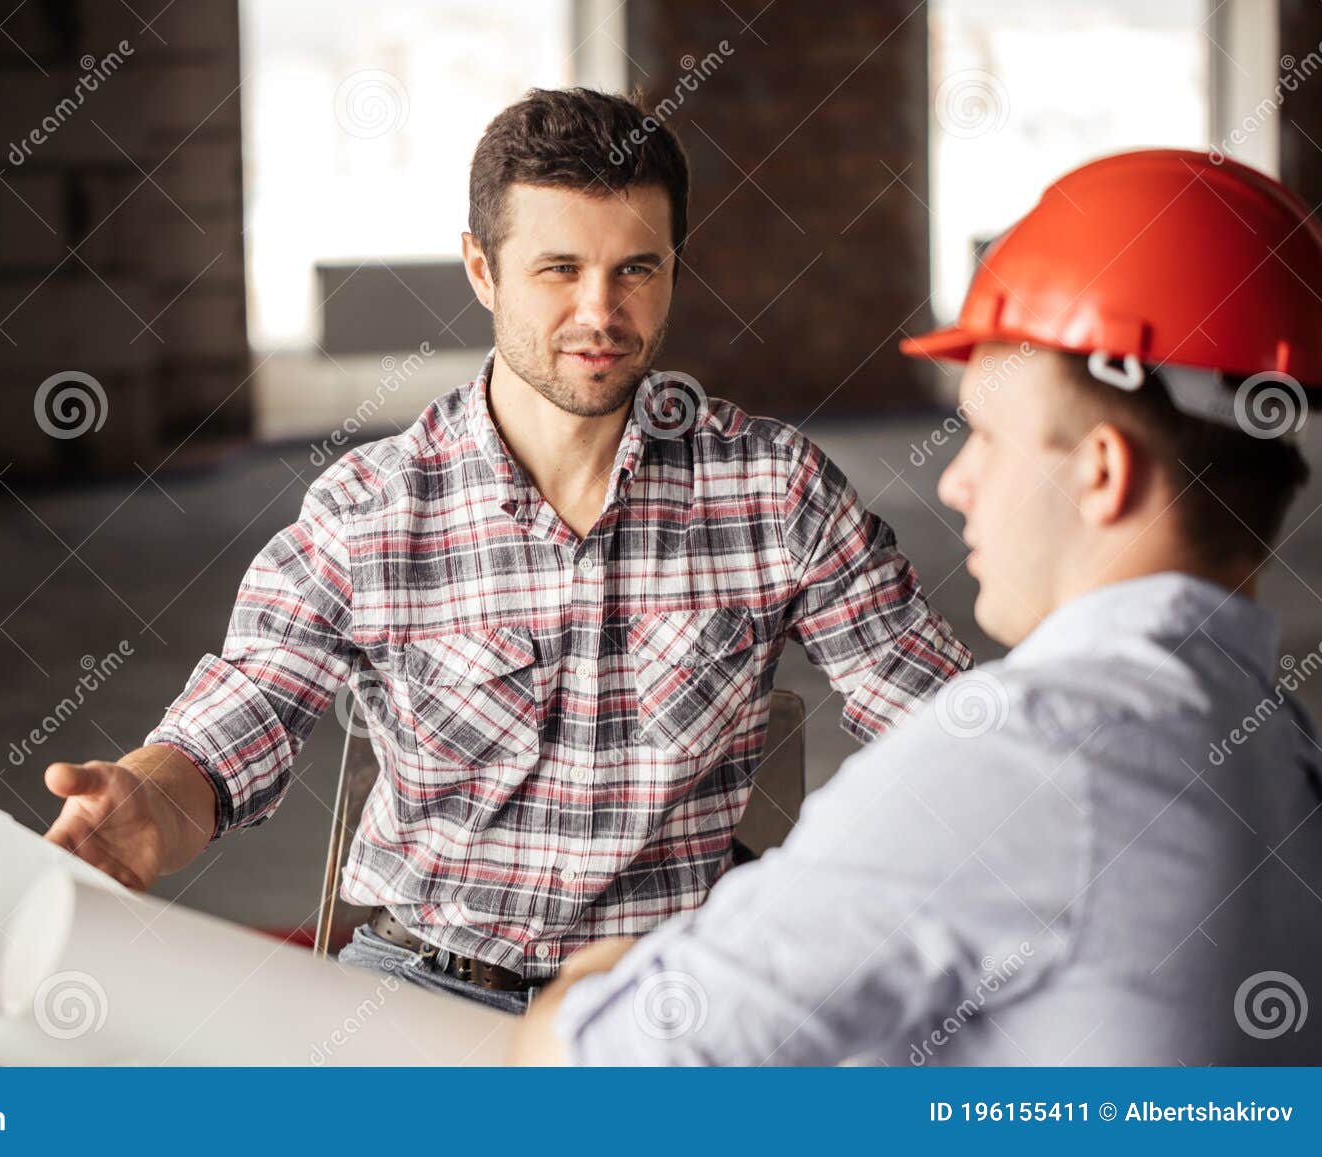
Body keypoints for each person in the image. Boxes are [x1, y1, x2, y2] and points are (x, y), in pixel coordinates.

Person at [41, 88, 969, 1013]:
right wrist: (150, 800)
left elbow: (940, 722)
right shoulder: (371, 508)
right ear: (481, 269)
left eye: (636, 270)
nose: (601, 313)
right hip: (424, 987)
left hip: (671, 997)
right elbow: (236, 717)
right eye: (559, 269)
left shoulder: (772, 488)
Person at [510, 148, 1322, 1063]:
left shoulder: (1031, 756)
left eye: (985, 434)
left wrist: (593, 986)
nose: (957, 481)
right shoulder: (1282, 749)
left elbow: (615, 1068)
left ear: (1103, 471)